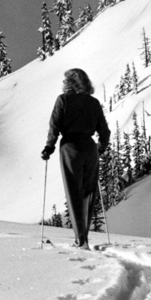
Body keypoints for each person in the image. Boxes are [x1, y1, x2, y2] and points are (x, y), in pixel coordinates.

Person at [41, 67, 110, 248]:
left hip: (70, 147)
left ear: (69, 83)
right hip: (90, 147)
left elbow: (54, 126)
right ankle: (84, 237)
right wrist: (100, 148)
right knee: (89, 192)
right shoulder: (93, 103)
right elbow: (104, 130)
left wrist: (49, 147)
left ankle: (80, 239)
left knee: (74, 193)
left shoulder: (63, 100)